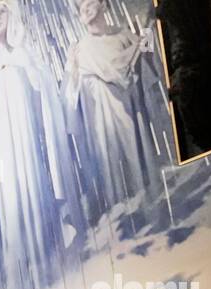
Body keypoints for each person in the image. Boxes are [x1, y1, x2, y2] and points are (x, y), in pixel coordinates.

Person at [0, 0, 83, 289]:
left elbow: (43, 96)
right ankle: (19, 284)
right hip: (1, 156)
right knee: (10, 207)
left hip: (29, 146)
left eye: (3, 11)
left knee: (35, 196)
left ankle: (47, 270)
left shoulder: (24, 57)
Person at [64, 0, 163, 216]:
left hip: (129, 109)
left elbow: (145, 58)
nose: (85, 8)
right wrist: (72, 72)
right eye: (80, 6)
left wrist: (148, 29)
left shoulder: (123, 35)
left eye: (89, 2)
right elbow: (71, 98)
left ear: (103, 5)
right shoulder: (80, 50)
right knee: (111, 164)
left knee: (138, 159)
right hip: (100, 118)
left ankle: (150, 207)